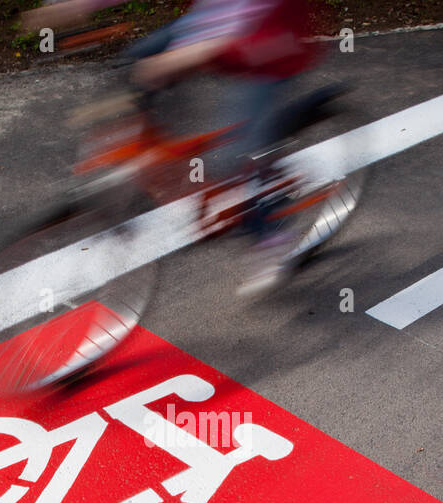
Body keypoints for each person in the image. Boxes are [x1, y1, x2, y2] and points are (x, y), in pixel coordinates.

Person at [22, 0, 322, 294]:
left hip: (268, 43)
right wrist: (81, 5)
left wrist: (192, 54)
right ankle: (163, 151)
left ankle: (271, 239)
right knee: (134, 62)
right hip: (211, 26)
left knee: (234, 158)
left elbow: (251, 17)